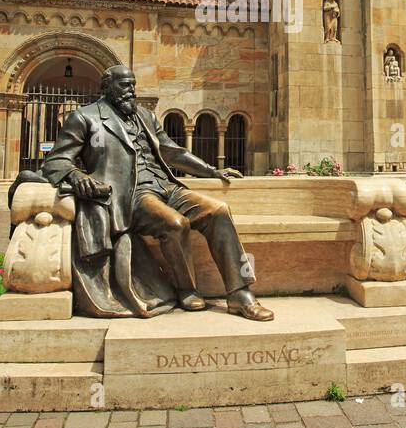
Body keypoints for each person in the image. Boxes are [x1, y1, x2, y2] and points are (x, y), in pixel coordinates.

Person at [40, 65, 273, 321]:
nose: (131, 91)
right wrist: (77, 176)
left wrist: (212, 171)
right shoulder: (85, 118)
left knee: (218, 211)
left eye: (133, 85)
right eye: (124, 85)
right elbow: (56, 161)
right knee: (175, 224)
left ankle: (240, 294)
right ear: (106, 87)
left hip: (167, 186)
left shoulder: (145, 116)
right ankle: (186, 289)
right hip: (132, 196)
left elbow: (174, 152)